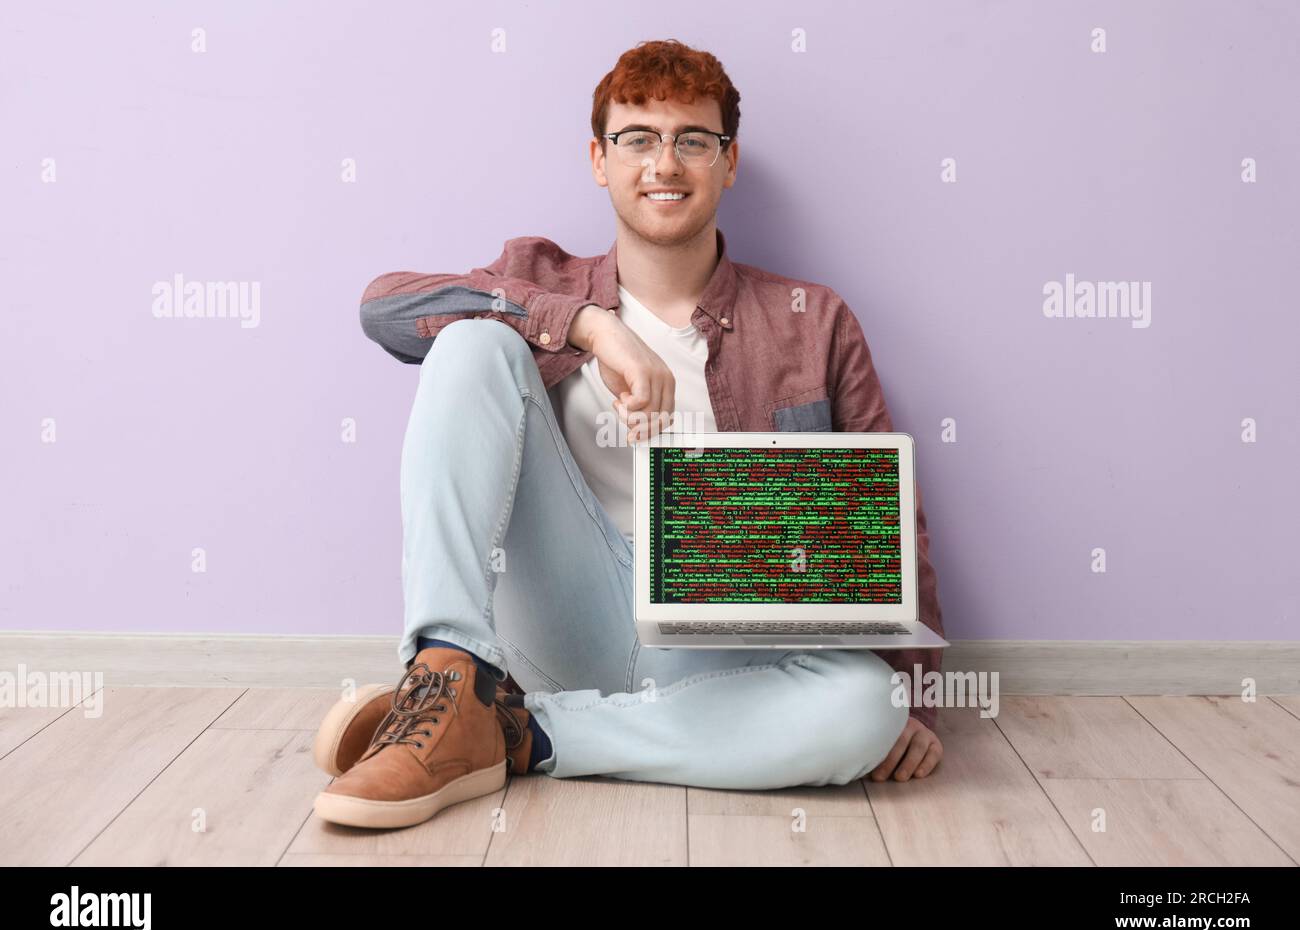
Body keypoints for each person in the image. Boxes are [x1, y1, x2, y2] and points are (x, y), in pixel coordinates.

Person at [312, 38, 947, 830]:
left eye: (693, 140)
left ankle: (516, 732)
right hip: (562, 611)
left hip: (719, 652)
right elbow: (385, 309)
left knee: (867, 707)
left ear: (729, 161)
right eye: (638, 139)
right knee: (474, 340)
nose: (664, 164)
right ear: (599, 159)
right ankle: (448, 673)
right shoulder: (536, 277)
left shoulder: (812, 320)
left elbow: (892, 526)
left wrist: (916, 698)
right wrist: (585, 326)